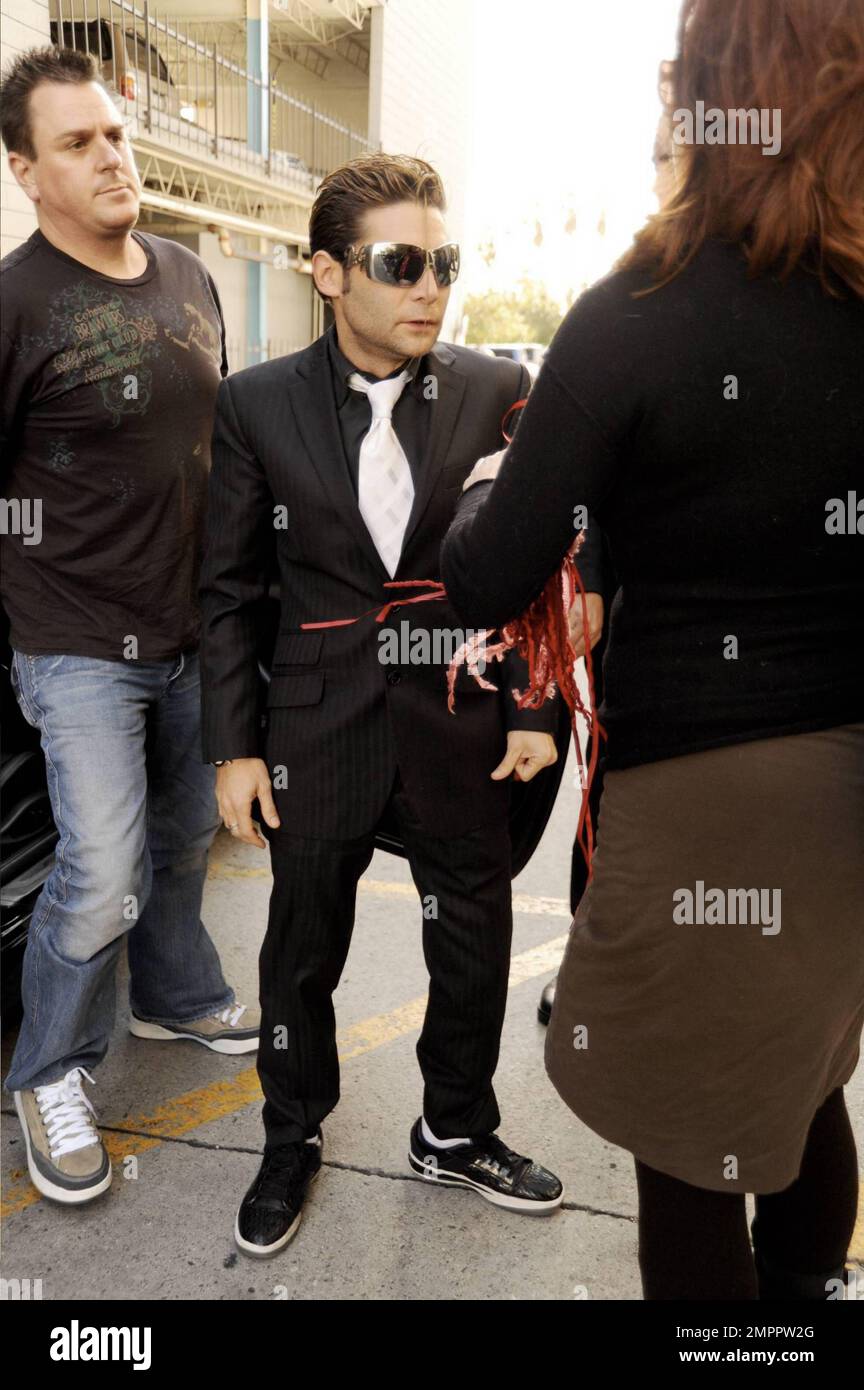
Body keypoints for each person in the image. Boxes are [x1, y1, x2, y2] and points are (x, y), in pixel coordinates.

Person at [441, 0, 864, 1301]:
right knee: (798, 1088)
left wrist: (498, 477)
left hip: (708, 789)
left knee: (694, 1142)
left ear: (707, 101)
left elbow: (490, 572)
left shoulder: (640, 309)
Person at [199, 152, 603, 1258]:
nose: (433, 286)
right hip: (316, 723)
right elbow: (229, 589)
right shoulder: (254, 404)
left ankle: (457, 1129)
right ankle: (291, 1136)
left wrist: (531, 707)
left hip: (462, 721)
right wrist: (234, 746)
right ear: (327, 274)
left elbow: (550, 563)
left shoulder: (494, 390)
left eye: (446, 262)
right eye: (400, 263)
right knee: (301, 946)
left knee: (471, 936)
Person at [0, 46, 259, 1208]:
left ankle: (174, 990)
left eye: (114, 133)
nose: (109, 155)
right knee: (100, 868)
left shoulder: (191, 275)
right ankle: (50, 1070)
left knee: (181, 839)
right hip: (71, 638)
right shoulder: (11, 305)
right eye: (76, 142)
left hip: (190, 625)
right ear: (26, 172)